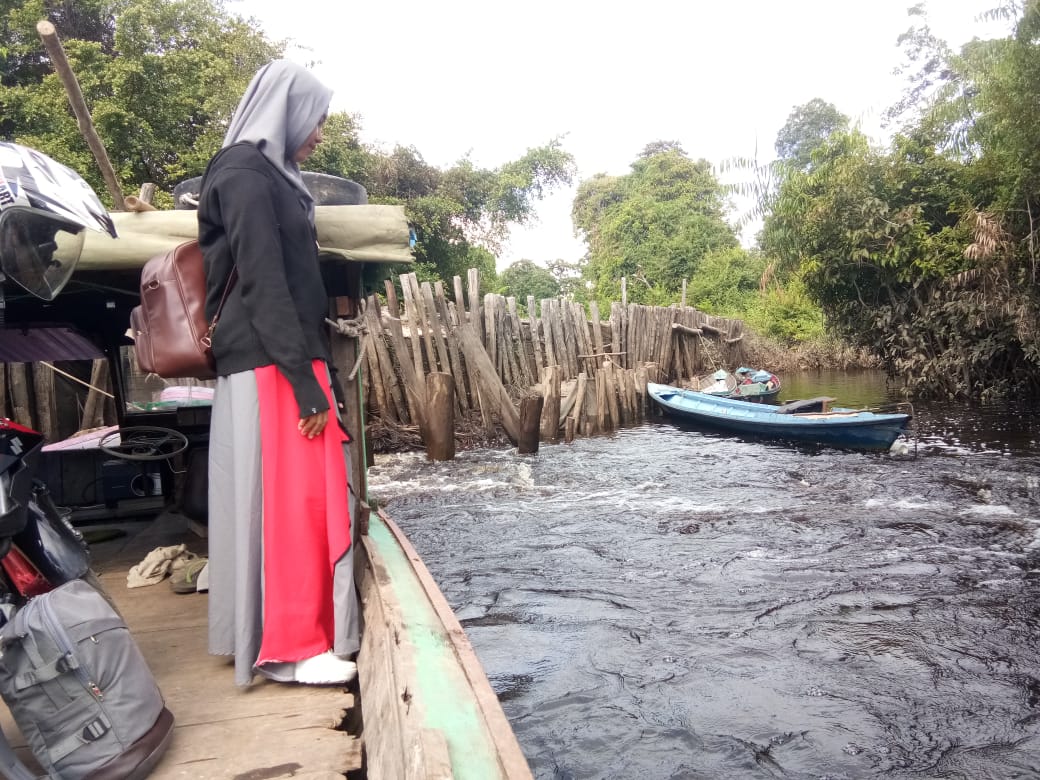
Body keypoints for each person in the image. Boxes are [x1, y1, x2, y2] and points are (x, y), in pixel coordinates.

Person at [197, 60, 359, 687]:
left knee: (305, 503)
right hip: (271, 362)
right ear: (288, 109)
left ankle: (302, 632)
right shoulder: (242, 173)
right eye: (315, 119)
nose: (318, 133)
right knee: (291, 506)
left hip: (284, 356)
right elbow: (263, 283)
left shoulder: (270, 173)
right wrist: (301, 380)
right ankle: (289, 649)